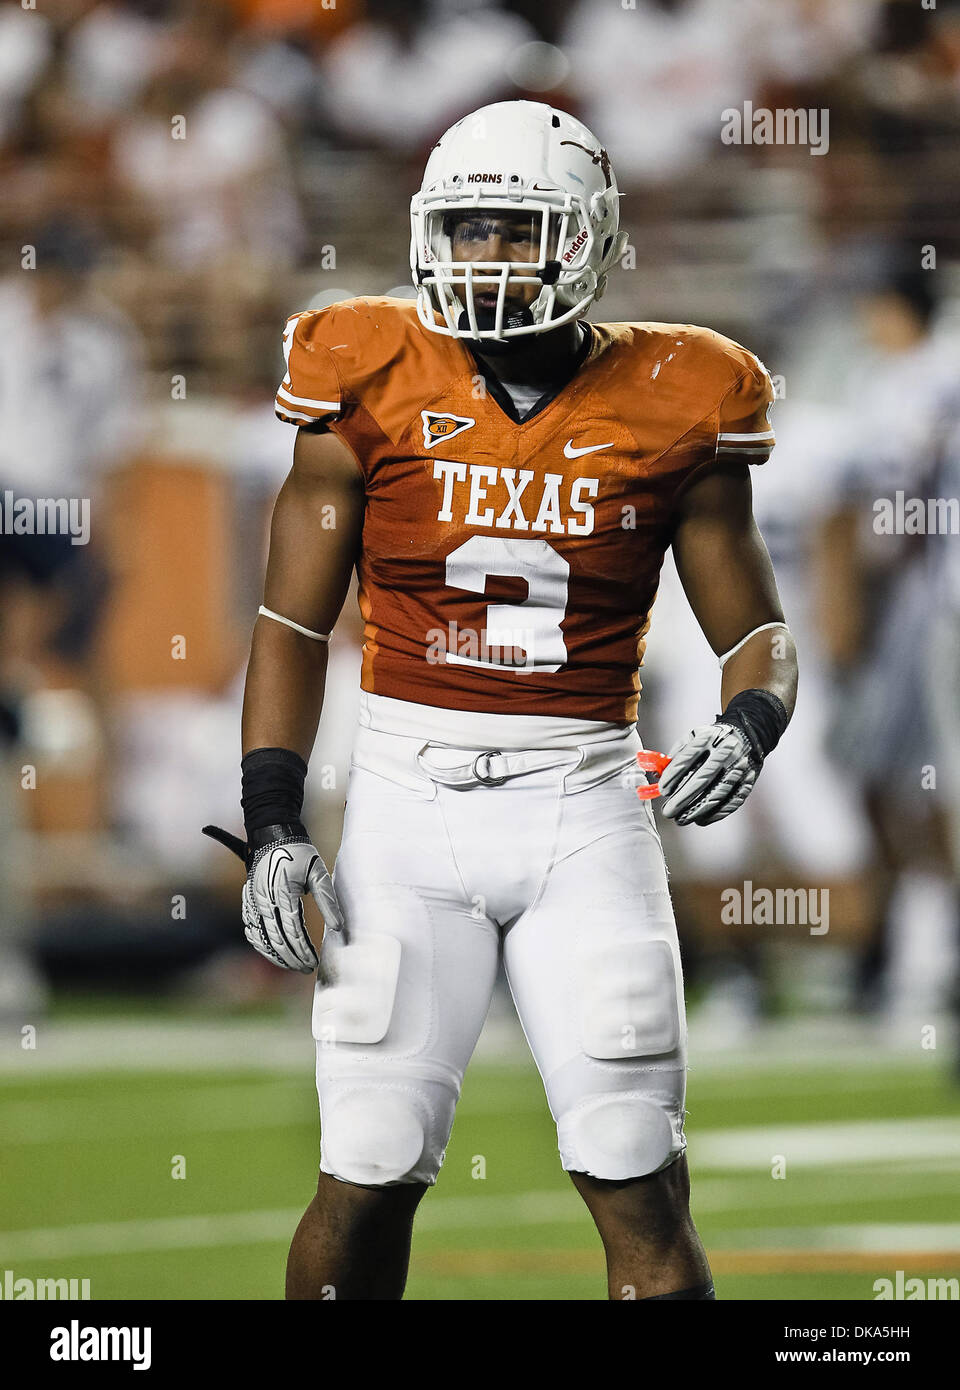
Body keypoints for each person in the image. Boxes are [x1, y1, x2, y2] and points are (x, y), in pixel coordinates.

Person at [204, 101, 797, 1301]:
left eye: (516, 231)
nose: (486, 257)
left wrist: (751, 722)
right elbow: (289, 626)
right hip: (408, 802)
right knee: (365, 1164)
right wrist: (273, 824)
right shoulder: (360, 364)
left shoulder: (686, 388)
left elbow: (759, 636)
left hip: (585, 804)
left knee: (634, 1164)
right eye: (465, 229)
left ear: (585, 240)